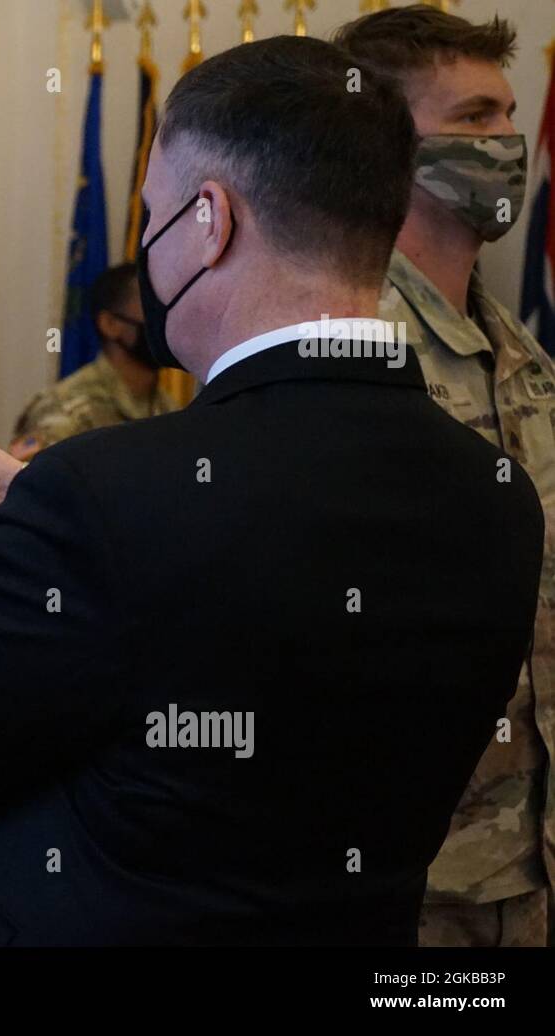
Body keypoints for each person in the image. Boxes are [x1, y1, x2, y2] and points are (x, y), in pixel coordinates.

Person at [0, 36, 544, 946]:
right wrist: (34, 497)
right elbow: (256, 570)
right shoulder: (499, 491)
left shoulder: (112, 494)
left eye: (151, 216)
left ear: (209, 220)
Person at [336, 4, 553, 949]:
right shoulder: (345, 348)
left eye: (509, 113)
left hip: (531, 853)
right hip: (414, 870)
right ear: (388, 144)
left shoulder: (522, 353)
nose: (507, 141)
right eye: (472, 119)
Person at [10, 263, 177, 461]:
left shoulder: (168, 408)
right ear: (110, 324)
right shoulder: (65, 410)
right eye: (151, 309)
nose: (164, 321)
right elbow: (31, 486)